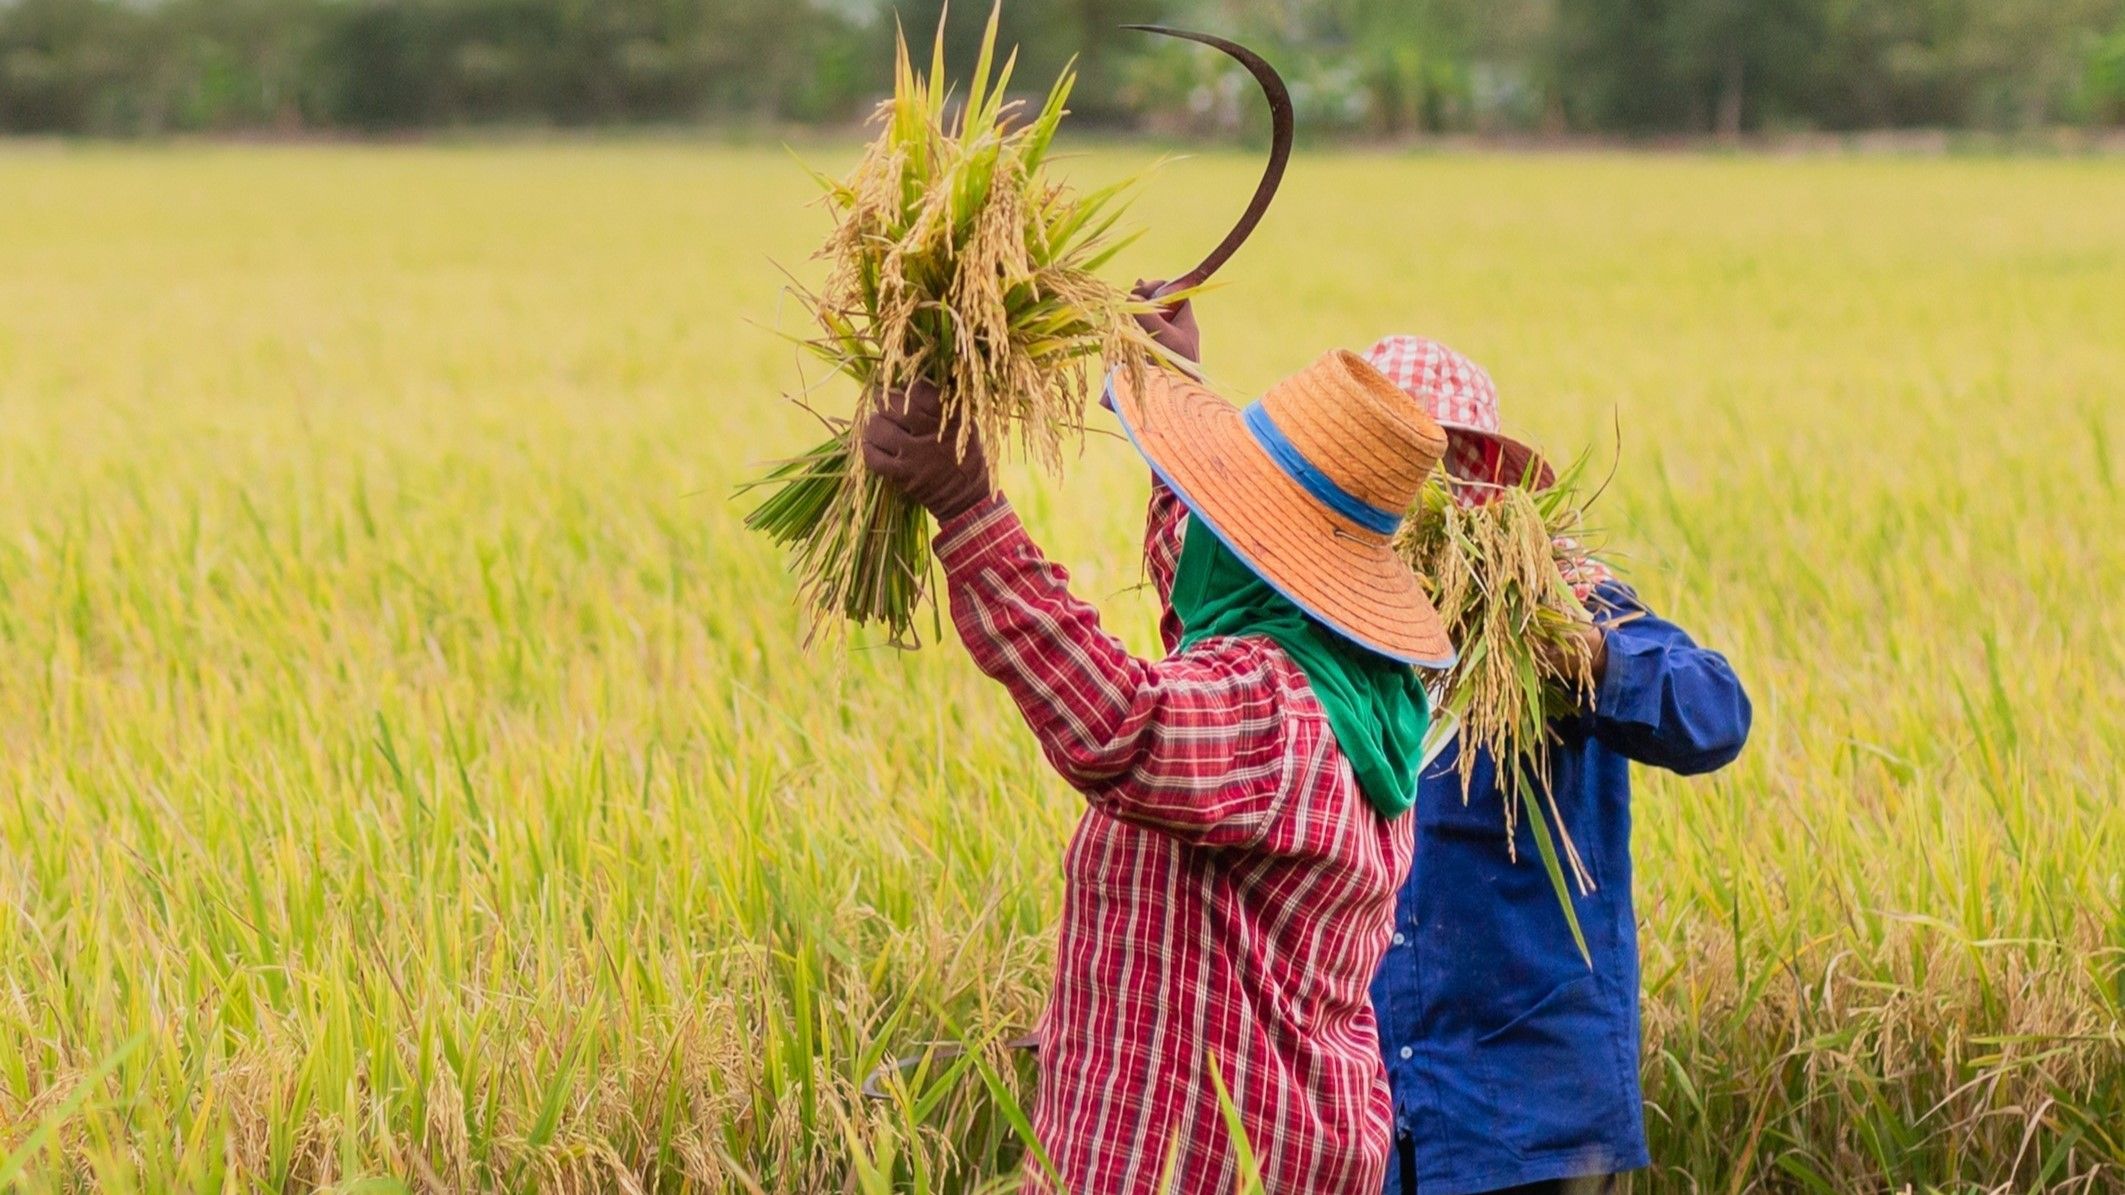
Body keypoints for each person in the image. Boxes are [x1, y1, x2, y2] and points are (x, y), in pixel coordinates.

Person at [859, 292, 1452, 1194]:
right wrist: (1163, 378)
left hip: (1200, 1161)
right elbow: (1205, 598)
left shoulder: (1273, 712)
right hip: (1287, 1145)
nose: (1211, 519)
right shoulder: (1353, 687)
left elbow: (1123, 724)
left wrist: (965, 504)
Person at [1359, 335, 1753, 1195]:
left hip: (1529, 1115)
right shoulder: (1335, 636)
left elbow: (1715, 713)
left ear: (1479, 484)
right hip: (1367, 1121)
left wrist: (1584, 655)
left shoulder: (1559, 601)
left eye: (1433, 474)